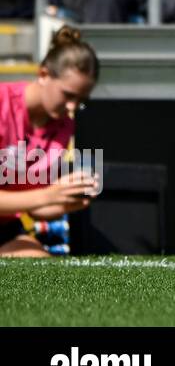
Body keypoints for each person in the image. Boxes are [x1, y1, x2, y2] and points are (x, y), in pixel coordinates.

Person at [0, 26, 100, 258]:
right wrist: (49, 195)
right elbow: (40, 197)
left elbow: (36, 209)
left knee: (44, 272)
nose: (73, 107)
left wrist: (68, 199)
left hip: (5, 230)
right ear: (43, 74)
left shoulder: (63, 124)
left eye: (81, 100)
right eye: (68, 95)